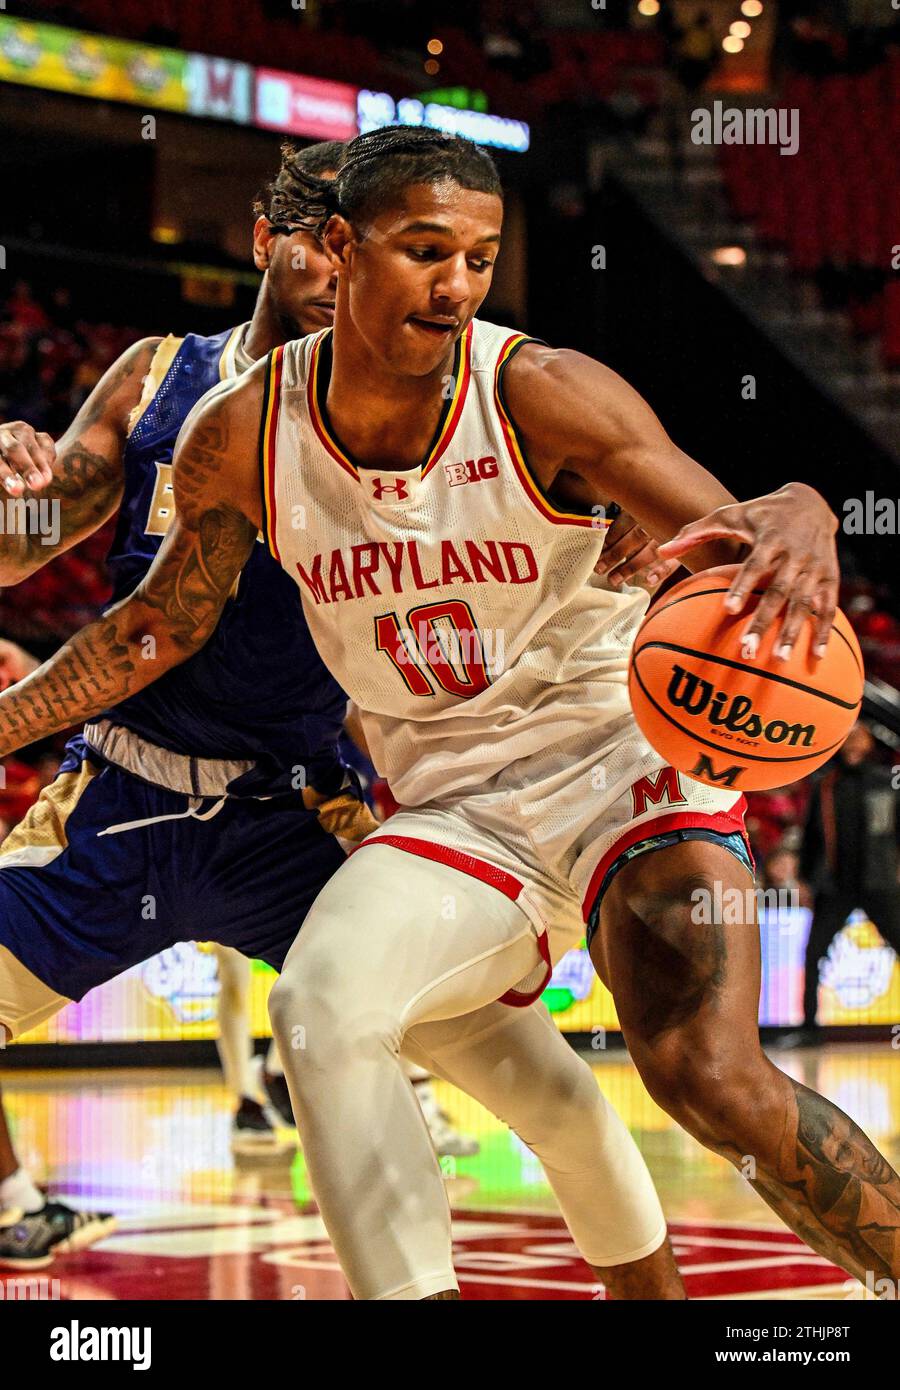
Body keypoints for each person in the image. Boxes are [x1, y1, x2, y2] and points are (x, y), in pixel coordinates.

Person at [9, 125, 896, 1298]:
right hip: (424, 803)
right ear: (317, 246)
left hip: (546, 768)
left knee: (691, 1076)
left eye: (478, 257)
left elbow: (723, 524)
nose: (456, 284)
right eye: (423, 250)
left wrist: (800, 504)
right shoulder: (218, 417)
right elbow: (132, 612)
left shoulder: (538, 390)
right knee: (320, 1010)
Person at [797, 722, 900, 1036]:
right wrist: (803, 878)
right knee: (813, 954)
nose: (853, 745)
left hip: (878, 883)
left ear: (869, 743)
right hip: (835, 885)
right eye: (848, 739)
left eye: (859, 738)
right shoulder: (825, 785)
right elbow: (810, 837)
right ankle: (810, 1028)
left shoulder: (887, 783)